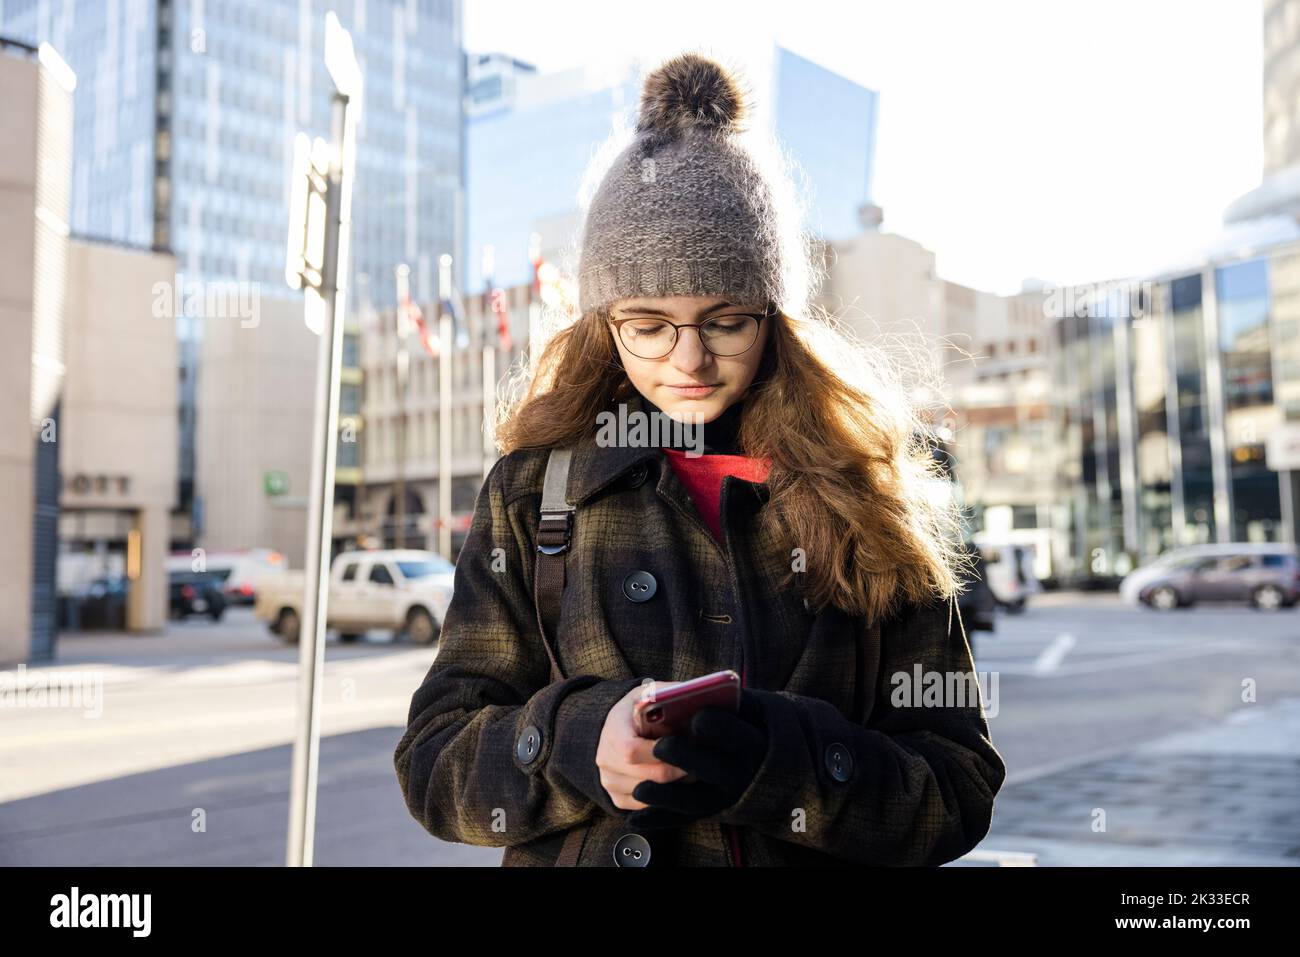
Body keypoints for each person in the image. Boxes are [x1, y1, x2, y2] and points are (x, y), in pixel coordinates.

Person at [394, 51, 1006, 867]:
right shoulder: (538, 489)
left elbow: (956, 786)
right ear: (603, 322)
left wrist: (777, 762)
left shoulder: (874, 488)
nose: (688, 360)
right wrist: (577, 744)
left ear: (774, 315)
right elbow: (434, 761)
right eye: (648, 324)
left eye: (724, 321)